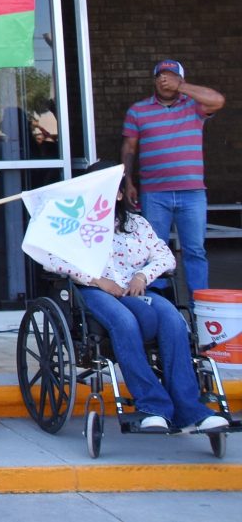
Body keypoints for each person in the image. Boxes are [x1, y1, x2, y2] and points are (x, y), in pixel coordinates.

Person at [42, 187, 227, 435]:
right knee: (125, 322)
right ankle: (153, 406)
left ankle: (191, 409)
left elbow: (166, 257)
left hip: (134, 289)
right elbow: (51, 259)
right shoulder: (74, 224)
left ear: (119, 194)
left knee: (173, 319)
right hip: (93, 290)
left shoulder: (137, 224)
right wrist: (97, 280)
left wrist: (142, 275)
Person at [121, 59, 224, 295]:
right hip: (154, 193)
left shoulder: (195, 106)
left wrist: (181, 87)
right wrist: (128, 182)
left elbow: (218, 100)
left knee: (195, 250)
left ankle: (200, 305)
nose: (164, 80)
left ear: (181, 79)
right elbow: (128, 149)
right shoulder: (138, 110)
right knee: (153, 250)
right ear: (154, 80)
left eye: (171, 76)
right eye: (160, 76)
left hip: (192, 193)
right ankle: (160, 303)